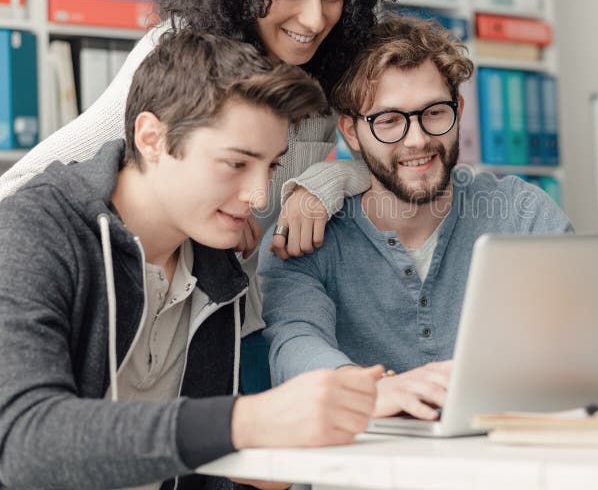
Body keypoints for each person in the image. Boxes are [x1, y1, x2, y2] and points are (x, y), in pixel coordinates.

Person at [0, 0, 395, 390]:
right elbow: (25, 189)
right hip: (134, 308)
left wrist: (324, 180)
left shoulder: (326, 74)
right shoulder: (183, 58)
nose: (316, 18)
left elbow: (404, 156)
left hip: (233, 318)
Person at [0, 31, 383, 490]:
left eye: (271, 166)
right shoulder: (33, 232)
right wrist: (243, 421)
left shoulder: (216, 264)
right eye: (236, 164)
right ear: (151, 138)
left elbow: (192, 466)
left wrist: (265, 467)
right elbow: (22, 442)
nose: (259, 196)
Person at [261, 16, 573, 420]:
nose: (418, 139)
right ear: (351, 132)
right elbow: (294, 343)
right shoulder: (307, 235)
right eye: (389, 120)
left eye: (434, 113)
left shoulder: (523, 214)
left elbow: (578, 341)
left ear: (458, 110)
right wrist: (371, 389)